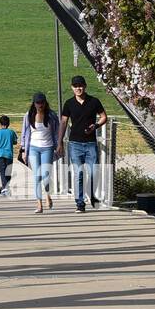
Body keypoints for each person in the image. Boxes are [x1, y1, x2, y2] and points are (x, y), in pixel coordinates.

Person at [61, 75, 107, 211]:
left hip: (91, 143)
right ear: (72, 88)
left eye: (80, 85)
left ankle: (91, 194)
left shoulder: (94, 101)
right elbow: (63, 122)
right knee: (78, 173)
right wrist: (59, 141)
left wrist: (96, 126)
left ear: (85, 86)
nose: (78, 88)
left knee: (93, 172)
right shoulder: (69, 103)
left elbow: (104, 116)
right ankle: (80, 203)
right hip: (75, 143)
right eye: (75, 86)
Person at [21, 92, 58, 214]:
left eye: (42, 103)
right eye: (37, 103)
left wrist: (59, 145)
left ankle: (47, 194)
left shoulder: (52, 115)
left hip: (47, 147)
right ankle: (39, 204)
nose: (40, 105)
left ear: (45, 103)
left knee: (46, 176)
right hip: (33, 148)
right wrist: (23, 150)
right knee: (37, 176)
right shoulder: (29, 115)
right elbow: (24, 133)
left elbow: (57, 132)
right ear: (34, 103)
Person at [0, 116, 16, 195]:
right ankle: (6, 187)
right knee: (8, 172)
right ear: (8, 123)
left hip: (0, 154)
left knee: (2, 171)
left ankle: (4, 187)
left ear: (0, 123)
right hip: (9, 155)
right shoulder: (11, 132)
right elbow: (15, 142)